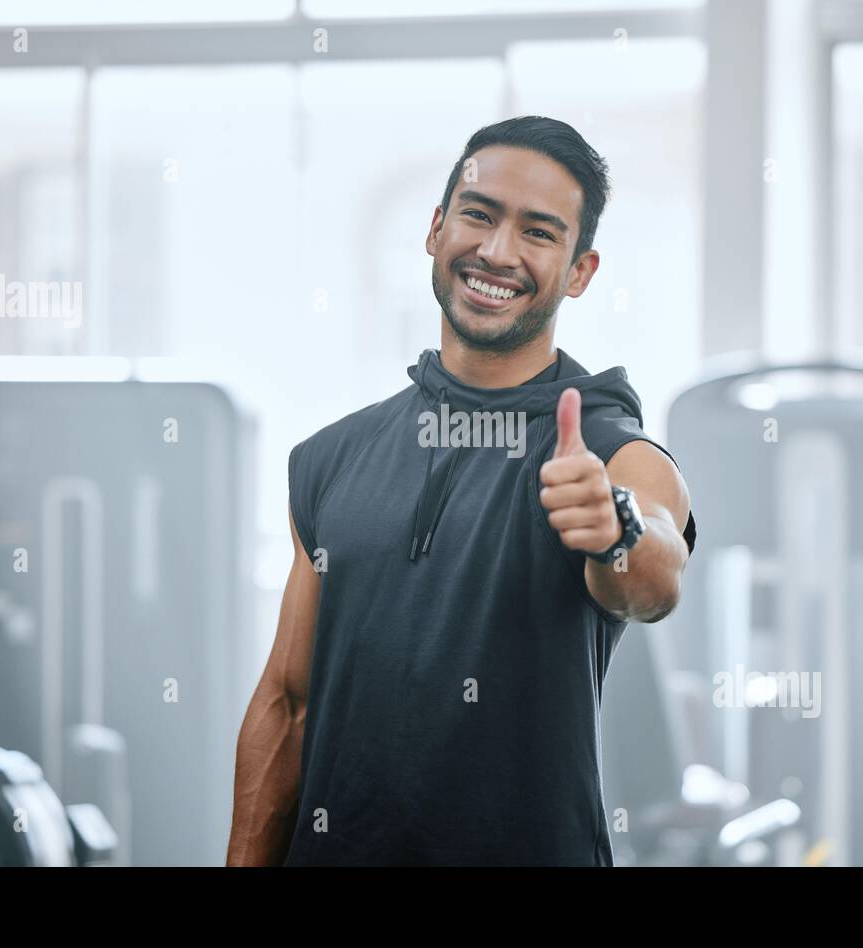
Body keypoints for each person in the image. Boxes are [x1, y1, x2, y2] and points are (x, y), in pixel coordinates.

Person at [227, 115, 695, 866]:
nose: (498, 251)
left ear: (579, 271)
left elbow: (655, 577)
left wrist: (617, 528)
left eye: (540, 233)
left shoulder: (608, 448)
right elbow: (287, 703)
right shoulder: (330, 459)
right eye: (479, 215)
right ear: (437, 229)